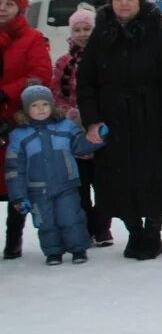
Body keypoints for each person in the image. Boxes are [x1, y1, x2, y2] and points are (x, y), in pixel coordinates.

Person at [77, 0, 162, 261]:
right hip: (112, 120)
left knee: (153, 177)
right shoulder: (101, 36)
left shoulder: (158, 34)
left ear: (140, 0)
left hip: (149, 117)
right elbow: (86, 83)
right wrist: (92, 121)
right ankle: (134, 230)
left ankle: (152, 231)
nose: (123, 3)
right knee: (117, 179)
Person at [4, 84, 105, 265]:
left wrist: (97, 138)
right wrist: (18, 197)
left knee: (71, 217)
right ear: (26, 109)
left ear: (52, 105)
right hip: (37, 190)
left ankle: (78, 249)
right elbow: (14, 169)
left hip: (65, 184)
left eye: (44, 104)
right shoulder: (19, 136)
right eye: (34, 105)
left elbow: (80, 146)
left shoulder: (66, 127)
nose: (41, 109)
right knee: (45, 223)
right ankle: (53, 252)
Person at [51, 3, 111, 247]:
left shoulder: (105, 58)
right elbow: (56, 94)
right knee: (80, 185)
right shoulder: (63, 62)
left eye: (88, 28)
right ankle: (84, 226)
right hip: (74, 133)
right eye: (78, 29)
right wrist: (68, 113)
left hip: (103, 130)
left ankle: (102, 227)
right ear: (71, 33)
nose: (83, 34)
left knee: (105, 183)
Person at [0, 0, 52, 260]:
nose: (2, 8)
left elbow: (40, 74)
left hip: (18, 120)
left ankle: (13, 239)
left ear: (20, 8)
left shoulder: (32, 38)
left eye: (9, 4)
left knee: (15, 181)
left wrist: (7, 92)